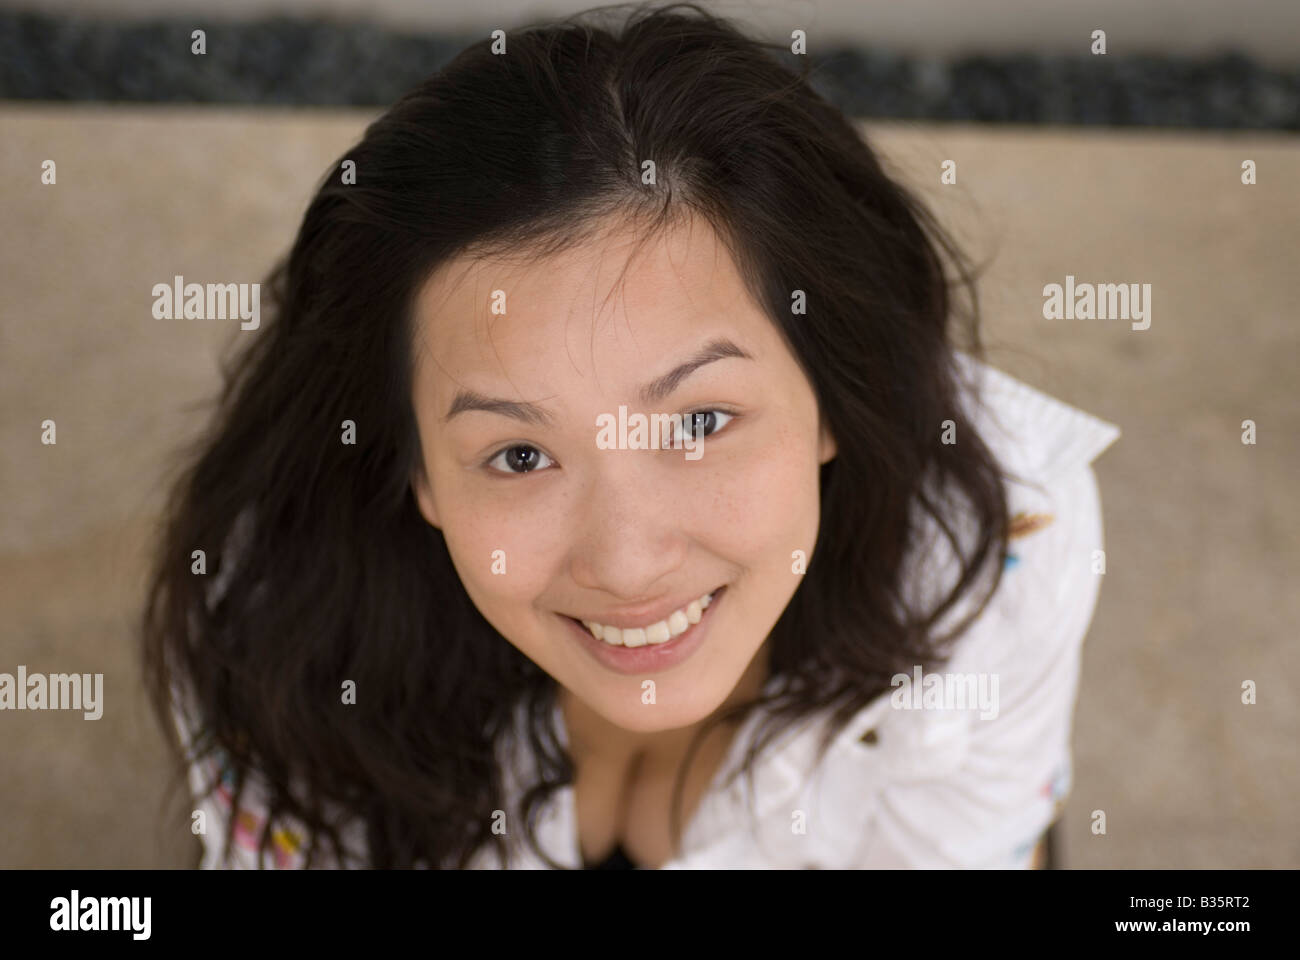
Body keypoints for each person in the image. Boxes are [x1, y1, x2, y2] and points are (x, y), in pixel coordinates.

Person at [143, 1, 1119, 870]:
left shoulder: (999, 554)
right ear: (418, 477)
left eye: (699, 421)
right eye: (518, 455)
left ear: (832, 396)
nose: (628, 560)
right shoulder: (275, 628)